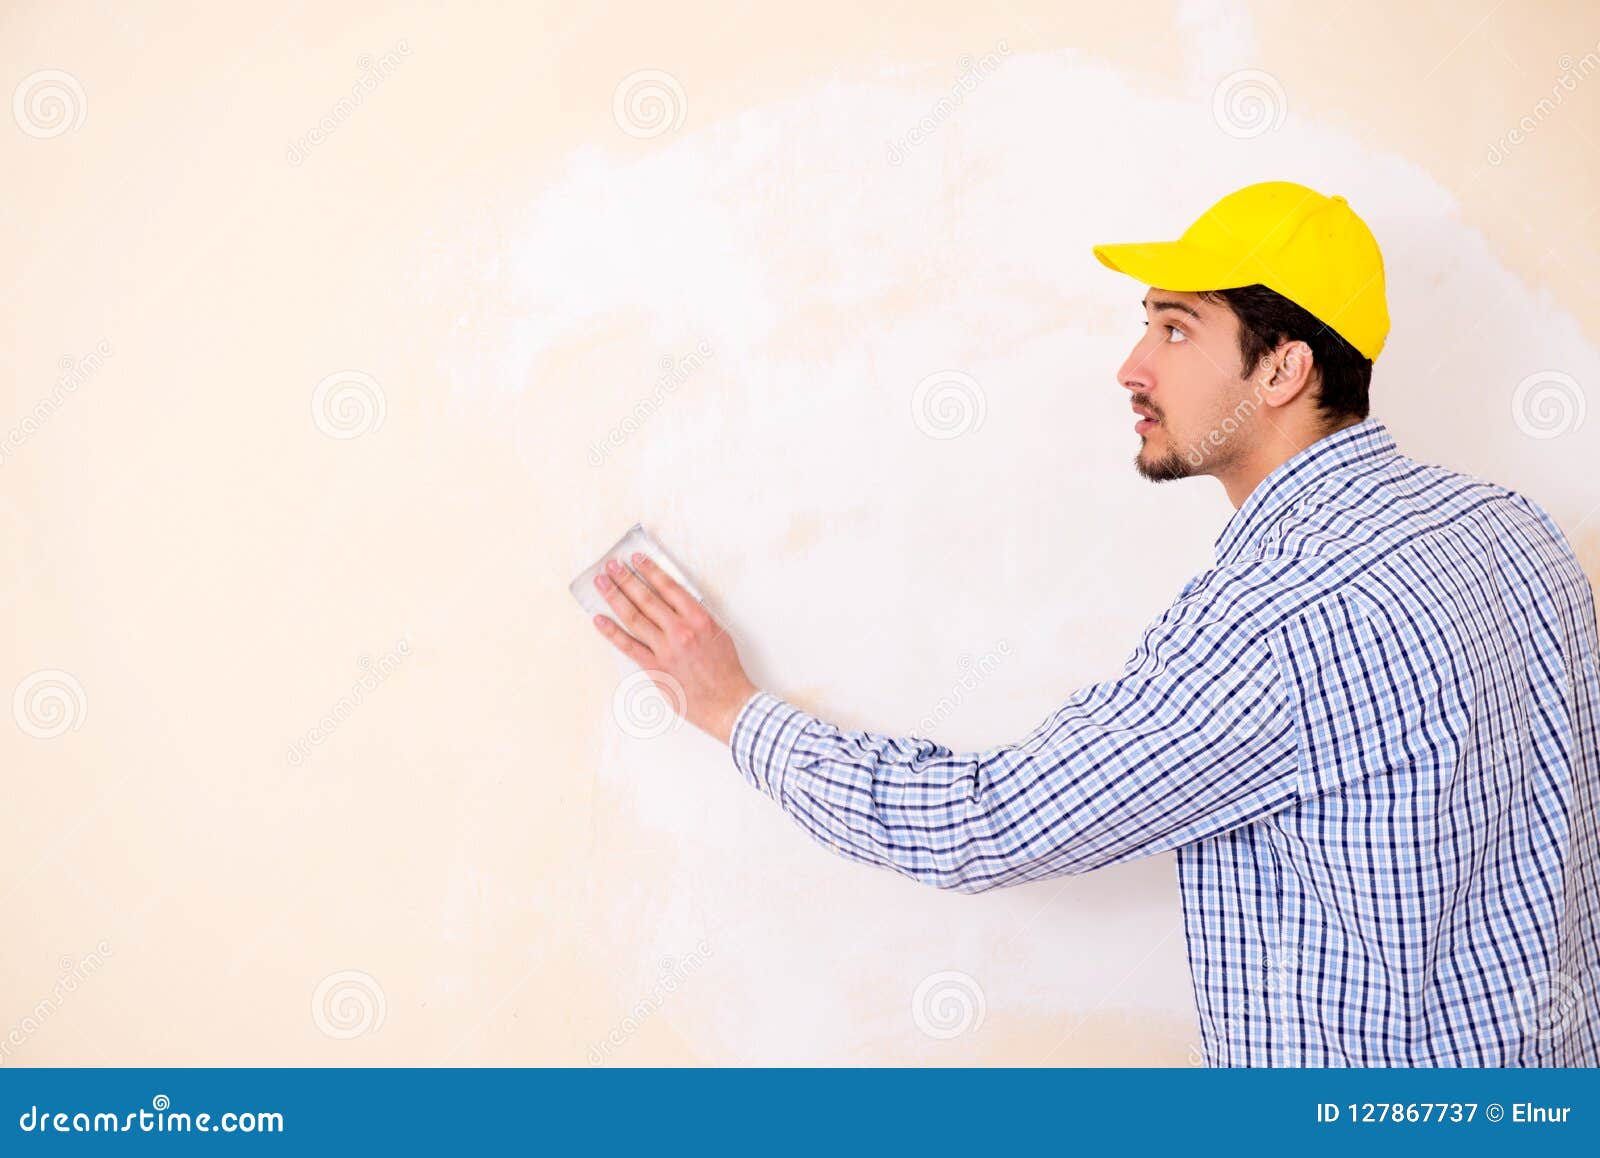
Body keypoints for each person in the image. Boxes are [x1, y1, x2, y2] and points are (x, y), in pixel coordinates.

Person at [586, 180, 1600, 1068]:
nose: (1130, 365)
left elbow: (984, 826)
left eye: (1173, 327)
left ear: (1283, 369)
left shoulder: (1274, 617)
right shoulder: (1512, 530)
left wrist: (729, 706)